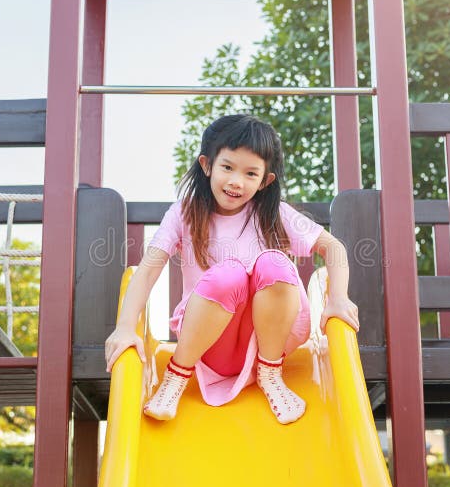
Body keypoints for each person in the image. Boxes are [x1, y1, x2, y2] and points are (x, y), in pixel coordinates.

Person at [104, 114, 359, 425]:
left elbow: (333, 247)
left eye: (250, 173)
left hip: (269, 341)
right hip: (211, 345)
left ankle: (270, 374)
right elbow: (147, 270)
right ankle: (177, 375)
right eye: (227, 167)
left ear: (266, 180)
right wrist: (126, 326)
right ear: (207, 165)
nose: (237, 181)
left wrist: (338, 299)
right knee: (229, 275)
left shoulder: (272, 213)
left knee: (274, 263)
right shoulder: (185, 214)